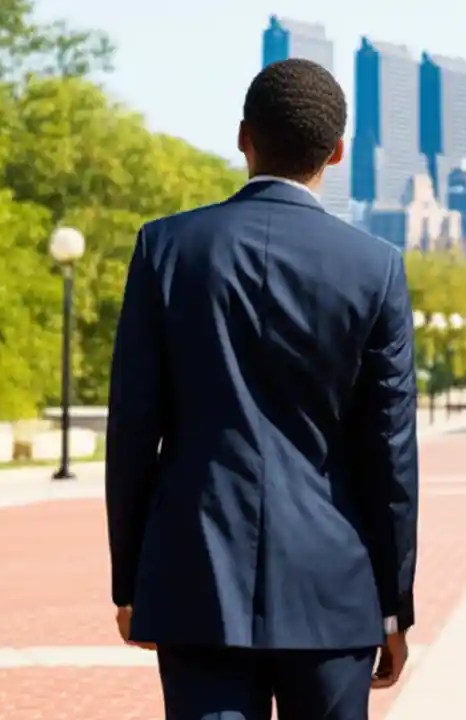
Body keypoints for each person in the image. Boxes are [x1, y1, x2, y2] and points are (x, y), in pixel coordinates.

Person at [105, 59, 418, 720]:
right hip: (335, 588)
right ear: (337, 151)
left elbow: (133, 427)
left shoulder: (164, 249)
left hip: (195, 577)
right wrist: (394, 603)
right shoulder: (375, 268)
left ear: (243, 136)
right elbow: (390, 455)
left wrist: (130, 579)